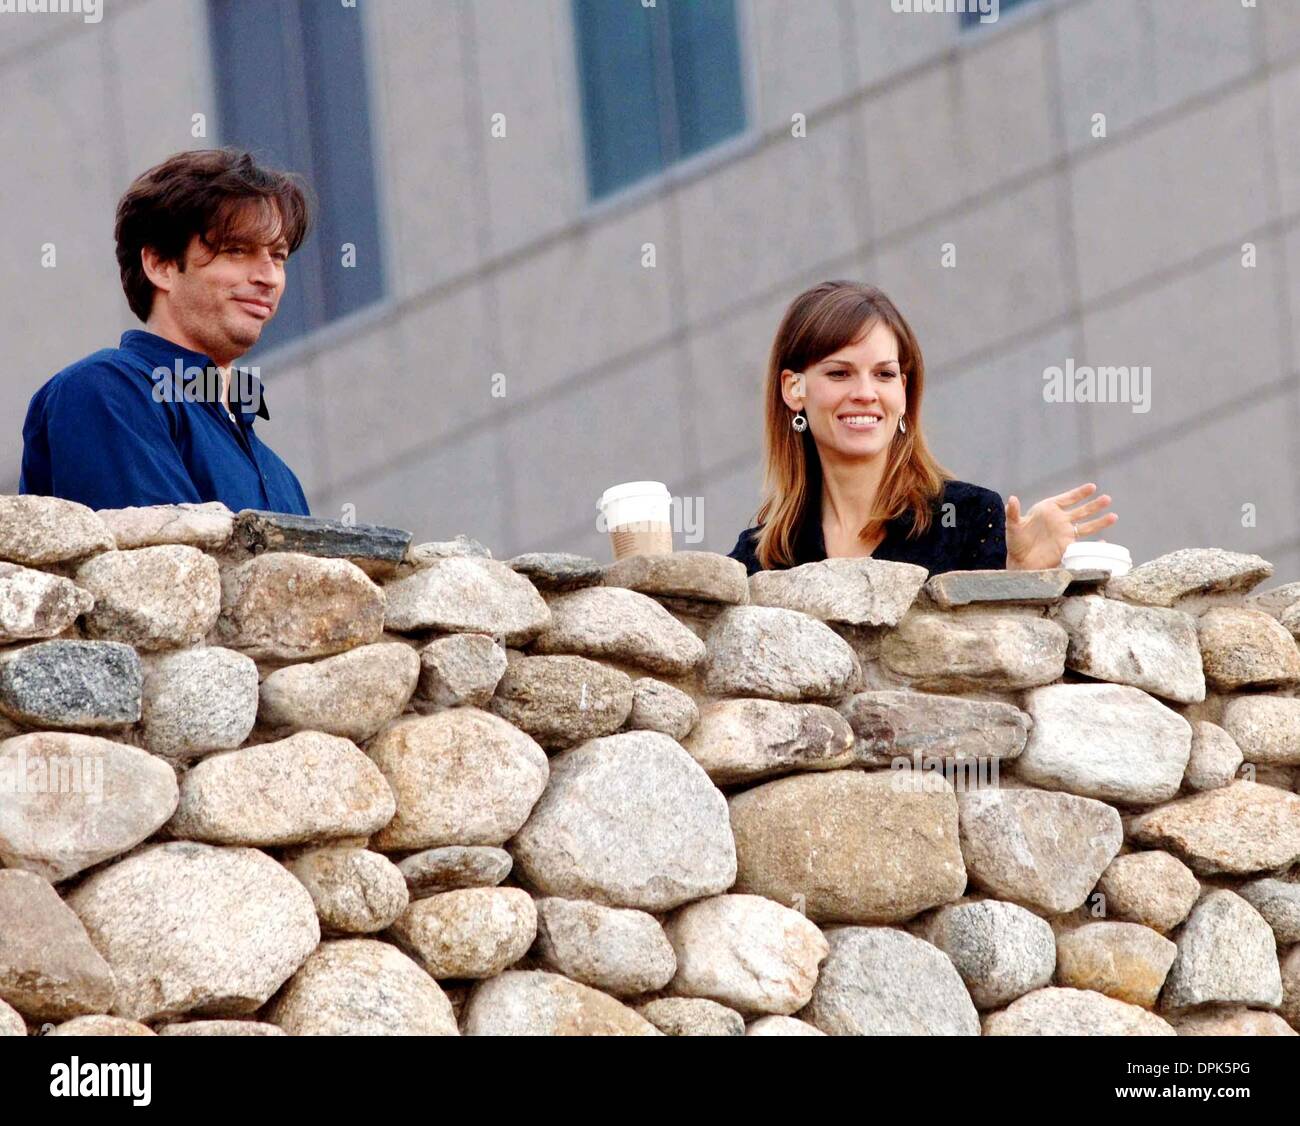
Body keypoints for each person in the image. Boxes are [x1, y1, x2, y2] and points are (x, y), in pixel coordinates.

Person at [728, 281, 1116, 576]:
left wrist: (1020, 573)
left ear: (904, 389)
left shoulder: (969, 518)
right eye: (839, 373)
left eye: (884, 374)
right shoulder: (759, 561)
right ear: (793, 389)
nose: (865, 393)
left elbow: (998, 661)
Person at [19, 148, 312, 515]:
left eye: (278, 256)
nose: (268, 277)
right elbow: (159, 566)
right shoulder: (105, 391)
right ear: (160, 264)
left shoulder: (282, 478)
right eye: (237, 250)